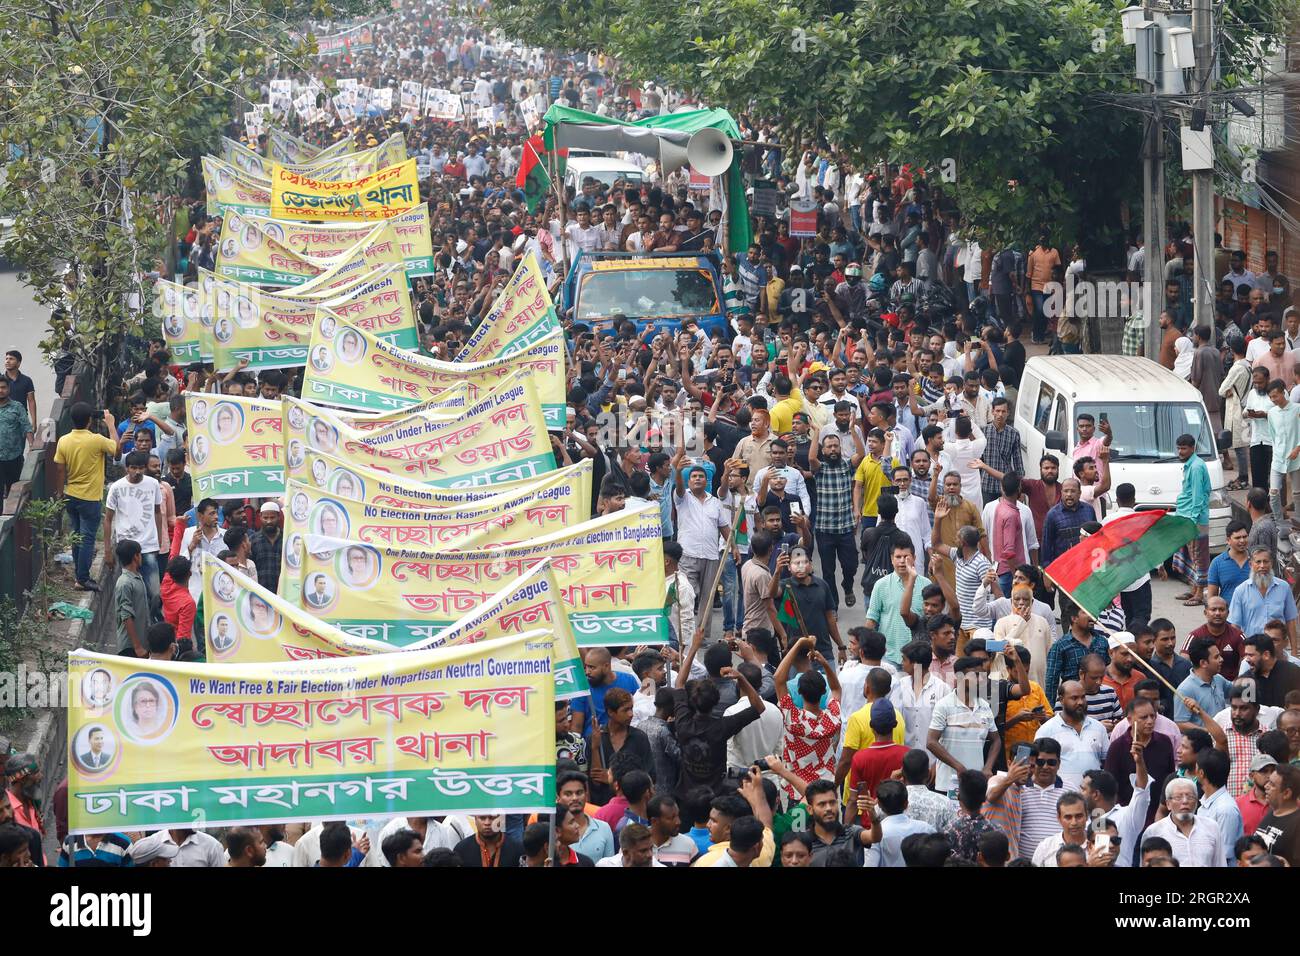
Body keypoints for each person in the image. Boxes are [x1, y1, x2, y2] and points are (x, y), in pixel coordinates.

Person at [52, 402, 119, 590]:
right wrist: (111, 424)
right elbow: (117, 449)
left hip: (70, 495)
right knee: (87, 538)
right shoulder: (96, 440)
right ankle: (82, 578)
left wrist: (59, 493)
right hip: (90, 498)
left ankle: (78, 575)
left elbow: (59, 470)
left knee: (76, 536)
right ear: (90, 420)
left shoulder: (64, 440)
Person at [774, 636, 843, 798]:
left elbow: (778, 678)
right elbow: (836, 689)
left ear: (799, 692)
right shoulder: (832, 718)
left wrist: (798, 644)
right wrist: (824, 662)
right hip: (825, 787)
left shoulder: (794, 720)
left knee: (799, 824)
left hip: (796, 790)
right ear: (822, 693)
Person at [927, 658, 1000, 796]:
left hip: (976, 785)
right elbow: (931, 742)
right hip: (948, 785)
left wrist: (988, 767)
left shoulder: (984, 706)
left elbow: (996, 740)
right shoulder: (944, 705)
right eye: (976, 675)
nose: (981, 680)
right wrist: (958, 767)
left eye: (982, 675)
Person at [1036, 679, 1110, 790]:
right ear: (1061, 700)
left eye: (1083, 697)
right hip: (1061, 799)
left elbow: (1106, 762)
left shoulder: (1098, 728)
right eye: (1074, 698)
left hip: (1093, 797)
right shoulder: (1047, 730)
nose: (1080, 702)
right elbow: (1038, 767)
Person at [865, 539, 928, 665]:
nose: (902, 561)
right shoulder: (881, 585)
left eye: (906, 557)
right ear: (891, 559)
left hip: (919, 658)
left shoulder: (926, 584)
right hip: (889, 657)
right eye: (898, 557)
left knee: (920, 685)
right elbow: (872, 620)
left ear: (914, 558)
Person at [1141, 777, 1226, 867]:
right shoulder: (1154, 832)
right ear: (1168, 804)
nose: (1185, 801)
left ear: (1197, 802)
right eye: (1178, 797)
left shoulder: (1212, 827)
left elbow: (1220, 863)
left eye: (1190, 797)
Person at [1228, 548, 1298, 653]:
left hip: (1277, 650)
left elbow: (1290, 621)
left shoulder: (1284, 587)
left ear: (1271, 563)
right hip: (1252, 650)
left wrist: (1294, 651)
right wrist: (1238, 653)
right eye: (1258, 562)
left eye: (1266, 561)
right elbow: (1235, 627)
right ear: (1251, 564)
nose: (1262, 566)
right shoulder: (1240, 591)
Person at [1255, 764, 1300, 865]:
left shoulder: (1297, 824)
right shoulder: (1272, 813)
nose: (1266, 786)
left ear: (1286, 793)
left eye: (1272, 784)